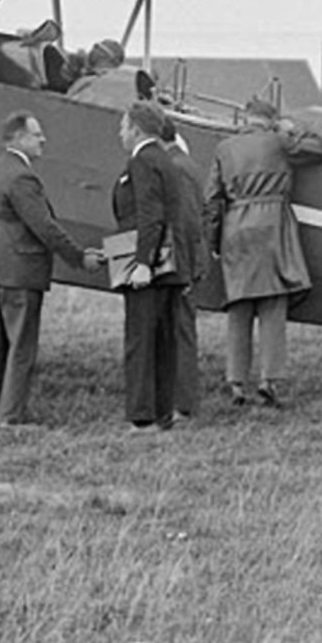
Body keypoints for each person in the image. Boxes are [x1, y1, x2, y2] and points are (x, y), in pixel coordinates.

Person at [0, 110, 104, 428]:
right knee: (22, 346)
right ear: (19, 138)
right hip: (20, 271)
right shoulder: (22, 177)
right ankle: (11, 417)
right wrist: (80, 257)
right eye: (36, 134)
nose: (43, 139)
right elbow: (44, 227)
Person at [204, 97, 322, 408]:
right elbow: (321, 148)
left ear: (246, 119)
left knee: (239, 307)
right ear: (271, 120)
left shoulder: (225, 148)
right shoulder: (280, 143)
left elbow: (211, 200)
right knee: (273, 305)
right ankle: (268, 381)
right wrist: (291, 129)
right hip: (273, 226)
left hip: (236, 228)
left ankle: (236, 384)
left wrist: (214, 242)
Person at [110, 100, 189, 433]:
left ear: (136, 129)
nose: (120, 133)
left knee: (140, 341)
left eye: (123, 126)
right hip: (169, 264)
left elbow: (149, 214)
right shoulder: (166, 160)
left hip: (149, 267)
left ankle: (142, 418)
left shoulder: (142, 161)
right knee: (162, 342)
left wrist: (142, 263)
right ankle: (162, 414)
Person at [159, 118, 211, 419]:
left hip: (179, 263)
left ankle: (183, 403)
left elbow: (187, 222)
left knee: (179, 331)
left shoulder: (175, 169)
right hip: (185, 260)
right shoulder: (184, 164)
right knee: (179, 330)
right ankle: (180, 401)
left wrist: (186, 268)